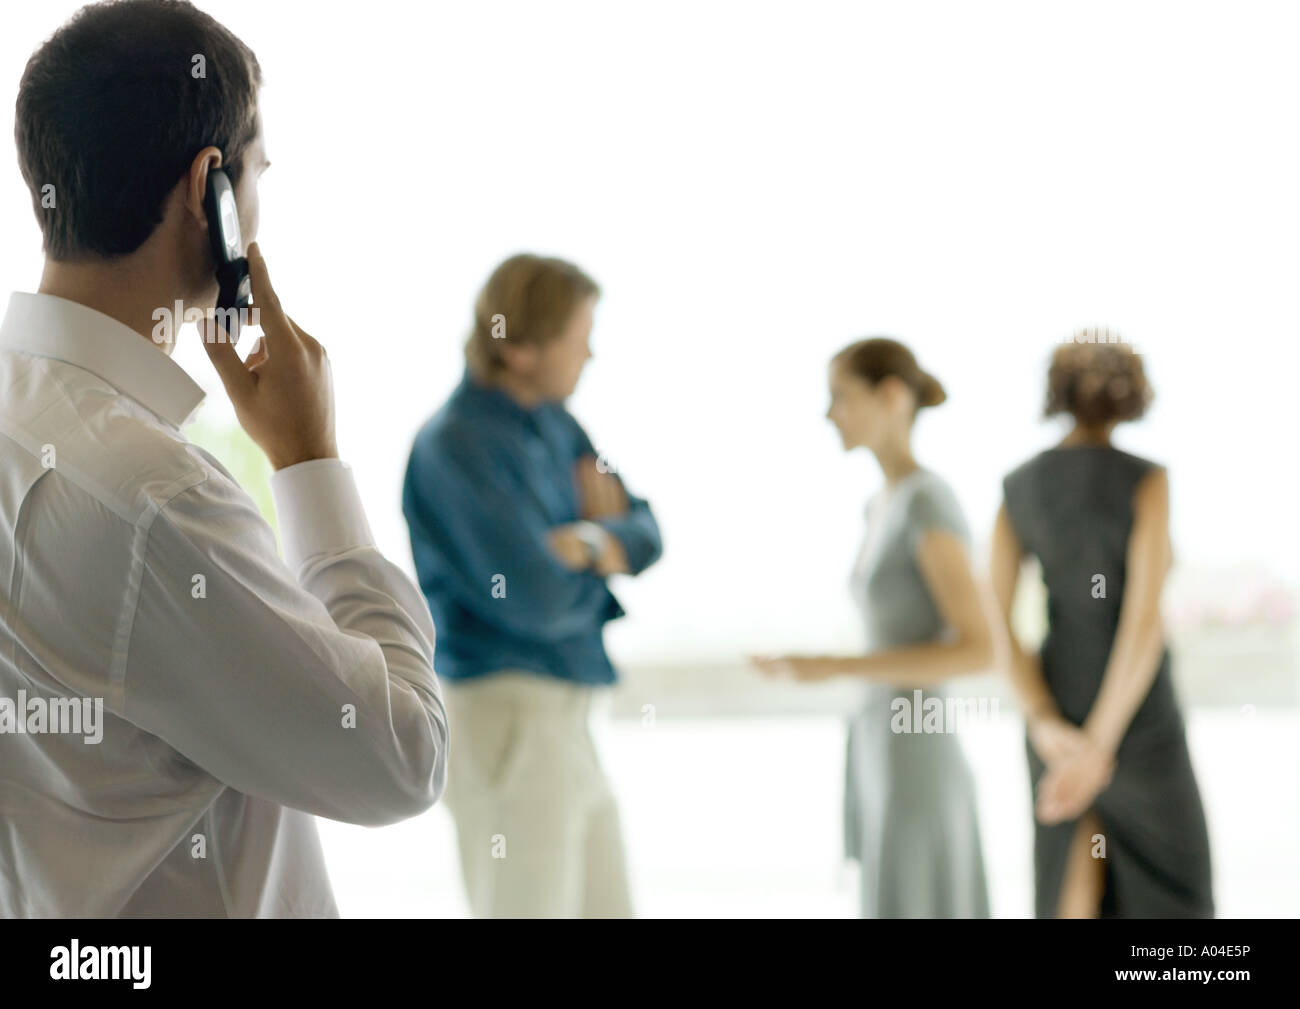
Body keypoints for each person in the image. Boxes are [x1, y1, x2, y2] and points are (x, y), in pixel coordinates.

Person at [0, 0, 447, 917]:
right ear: (210, 187)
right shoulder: (151, 497)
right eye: (257, 175)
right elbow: (403, 757)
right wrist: (309, 458)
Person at [402, 253, 662, 918]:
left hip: (570, 720)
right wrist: (597, 565)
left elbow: (646, 527)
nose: (592, 354)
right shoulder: (454, 446)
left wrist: (595, 542)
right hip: (507, 720)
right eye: (580, 337)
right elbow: (534, 597)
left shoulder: (559, 425)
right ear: (520, 348)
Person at [752, 338, 994, 918]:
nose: (829, 412)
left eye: (840, 396)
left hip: (918, 751)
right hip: (880, 742)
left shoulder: (928, 501)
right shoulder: (878, 504)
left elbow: (980, 649)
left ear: (890, 395)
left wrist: (835, 666)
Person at [990, 334, 1214, 918]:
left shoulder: (1019, 485)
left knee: (1074, 870)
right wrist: (1101, 748)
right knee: (1173, 889)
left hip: (1060, 701)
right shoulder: (1147, 479)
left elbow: (998, 623)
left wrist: (1043, 722)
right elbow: (1140, 626)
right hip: (1135, 713)